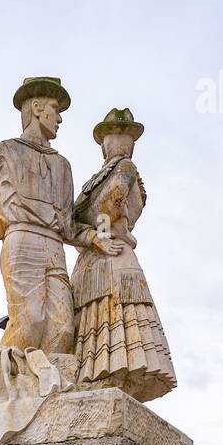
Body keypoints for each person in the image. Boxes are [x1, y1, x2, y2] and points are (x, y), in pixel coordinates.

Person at [0, 77, 102, 354]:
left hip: (54, 247)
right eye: (56, 108)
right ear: (38, 107)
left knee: (63, 329)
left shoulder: (62, 165)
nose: (60, 119)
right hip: (22, 242)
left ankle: (52, 393)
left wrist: (94, 237)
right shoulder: (6, 151)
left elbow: (68, 225)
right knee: (30, 323)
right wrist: (11, 230)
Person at [70, 108, 176, 400]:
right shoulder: (97, 179)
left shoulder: (126, 170)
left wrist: (99, 231)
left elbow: (110, 204)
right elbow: (76, 218)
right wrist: (94, 235)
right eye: (113, 135)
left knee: (119, 320)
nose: (119, 141)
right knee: (93, 319)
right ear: (103, 142)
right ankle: (95, 379)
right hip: (95, 256)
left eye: (124, 136)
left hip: (113, 253)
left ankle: (114, 379)